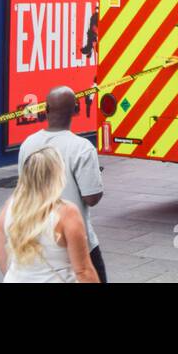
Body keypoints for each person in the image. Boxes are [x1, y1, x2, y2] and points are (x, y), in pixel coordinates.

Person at [18, 86, 107, 281]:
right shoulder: (82, 148)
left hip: (36, 236)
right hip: (75, 238)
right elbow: (91, 197)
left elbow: (23, 189)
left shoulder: (27, 144)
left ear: (45, 109)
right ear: (76, 110)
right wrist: (96, 176)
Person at [0, 147, 98, 283]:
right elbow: (83, 271)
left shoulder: (11, 205)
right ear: (57, 176)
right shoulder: (66, 213)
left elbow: (0, 251)